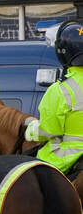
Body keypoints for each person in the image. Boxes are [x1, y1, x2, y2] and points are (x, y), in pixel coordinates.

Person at [25, 21, 83, 177]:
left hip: (68, 159)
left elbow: (47, 131)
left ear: (62, 52)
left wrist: (30, 130)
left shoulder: (61, 89)